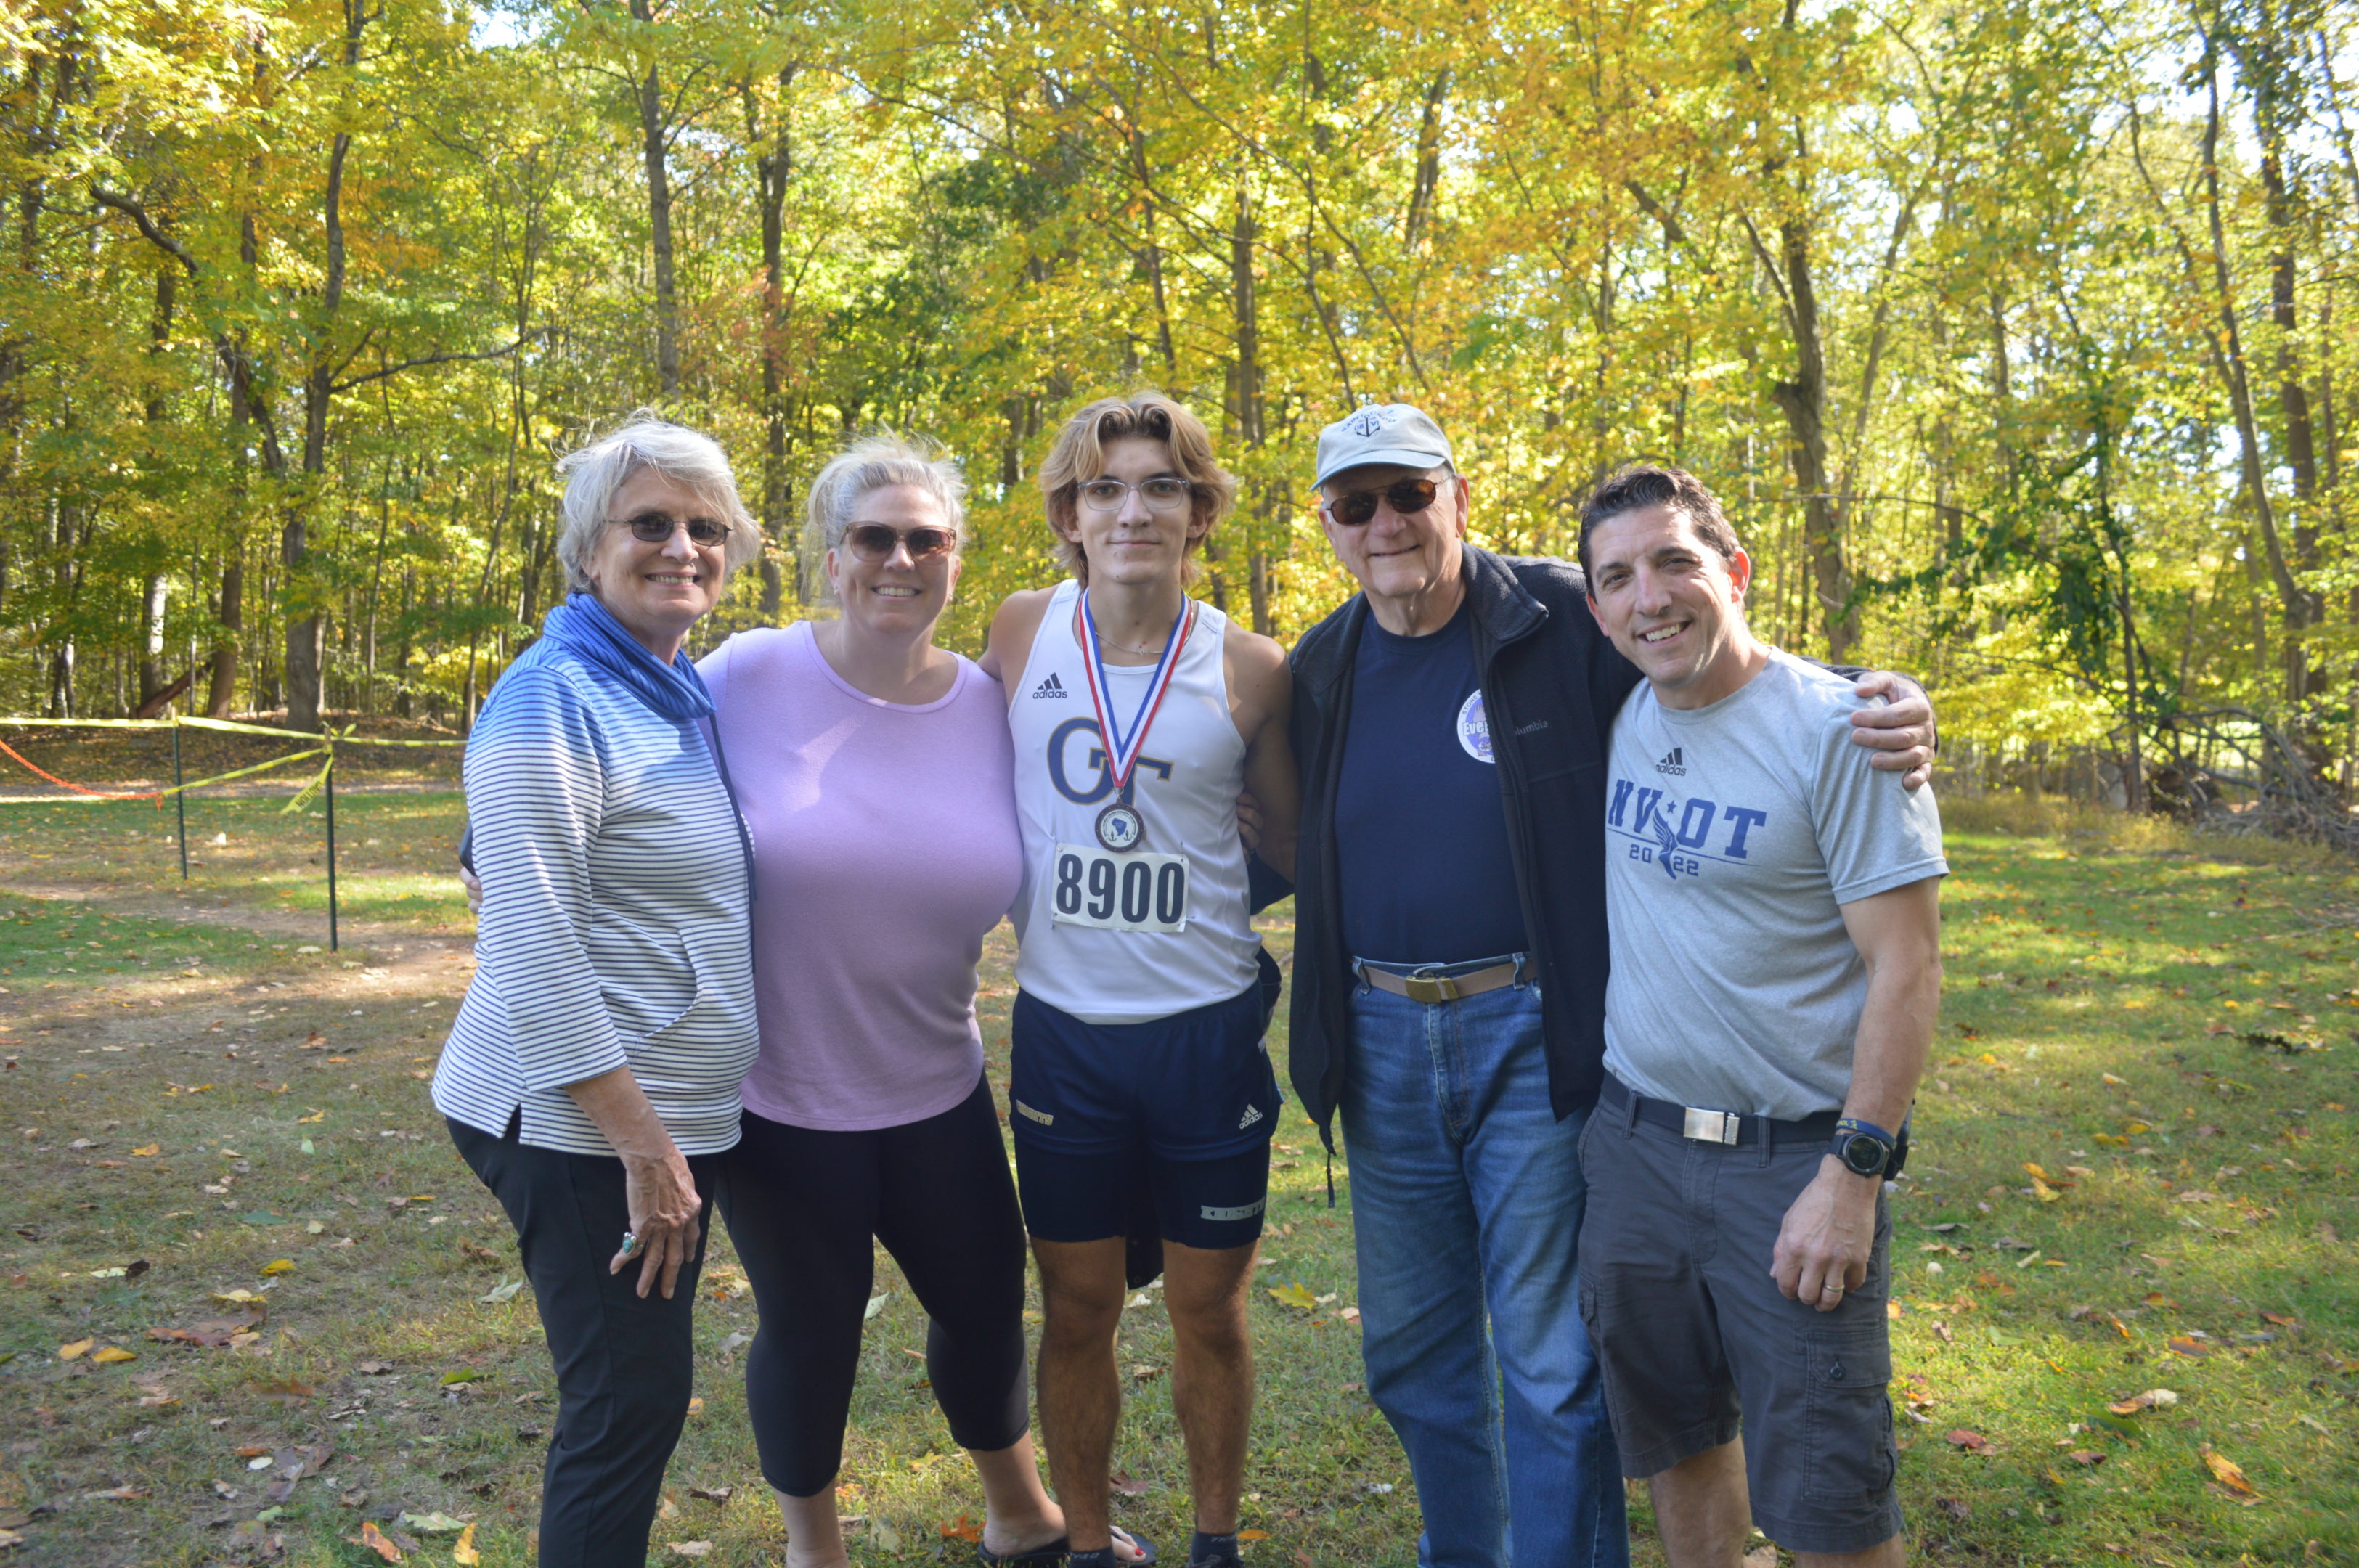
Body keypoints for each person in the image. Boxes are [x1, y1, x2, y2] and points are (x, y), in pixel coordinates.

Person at [1280, 407, 1935, 1568]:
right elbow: (1268, 829)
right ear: (1329, 525)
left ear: (1456, 497)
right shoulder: (1320, 666)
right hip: (1386, 1040)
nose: (1383, 523)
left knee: (1549, 1362)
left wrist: (1873, 693)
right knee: (1414, 1358)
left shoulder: (1548, 618)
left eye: (1407, 495)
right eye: (1353, 504)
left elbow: (1720, 660)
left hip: (1533, 1033)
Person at [696, 438, 1075, 1568]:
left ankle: (1020, 1512)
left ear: (956, 560)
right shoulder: (744, 674)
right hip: (778, 1097)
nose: (900, 558)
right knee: (812, 1334)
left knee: (982, 1305)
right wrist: (500, 826)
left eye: (928, 539)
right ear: (830, 554)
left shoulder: (994, 707)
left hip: (934, 1085)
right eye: (875, 537)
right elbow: (597, 741)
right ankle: (817, 1554)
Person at [1574, 465, 1943, 1567]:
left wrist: (1852, 1175)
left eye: (1675, 562)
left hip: (1789, 1167)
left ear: (1733, 572)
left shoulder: (1842, 733)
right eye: (1619, 577)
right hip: (1632, 1151)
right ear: (1592, 609)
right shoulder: (1621, 709)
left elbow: (1909, 965)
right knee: (1679, 1452)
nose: (1650, 597)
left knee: (1828, 1499)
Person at [431, 416, 761, 1568]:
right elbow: (531, 943)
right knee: (625, 1407)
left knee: (635, 1399)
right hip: (574, 1120)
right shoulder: (550, 699)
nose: (682, 547)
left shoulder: (670, 688)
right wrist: (643, 1149)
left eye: (705, 527)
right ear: (587, 551)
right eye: (650, 524)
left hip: (655, 1108)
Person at [977, 392, 1300, 1568]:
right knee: (1077, 1310)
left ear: (1198, 510)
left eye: (1160, 485)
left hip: (1203, 1036)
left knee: (1208, 1314)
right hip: (1067, 1033)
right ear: (1068, 512)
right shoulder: (1019, 633)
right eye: (1105, 487)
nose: (1132, 509)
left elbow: (1296, 847)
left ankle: (1215, 1543)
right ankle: (1087, 1543)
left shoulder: (1253, 668)